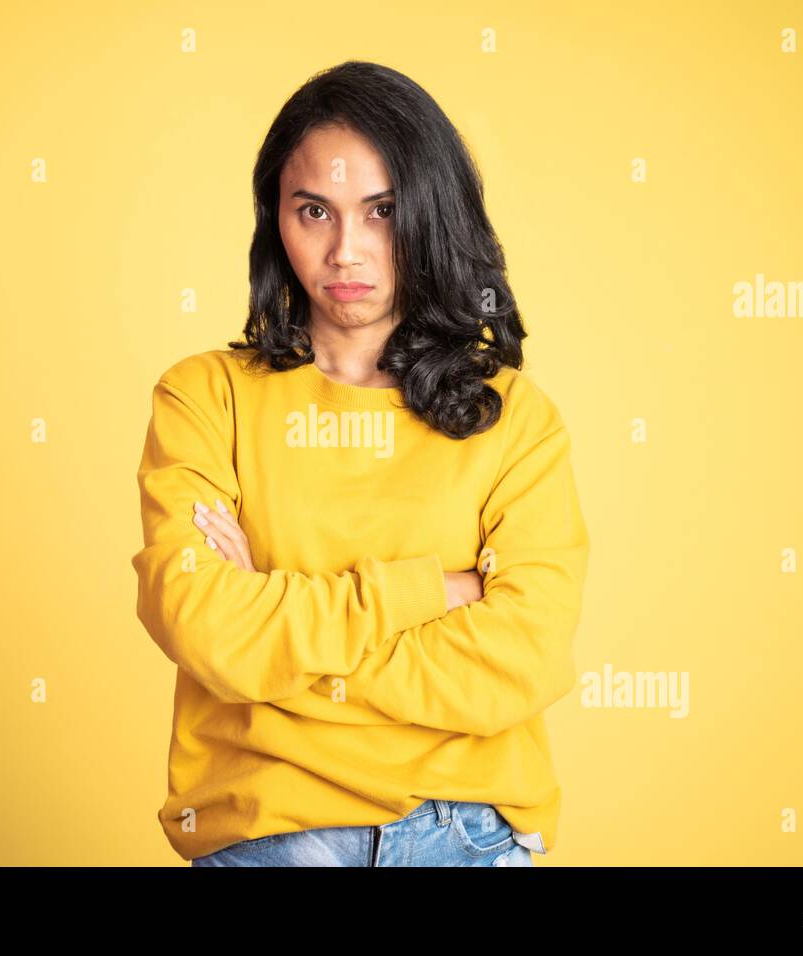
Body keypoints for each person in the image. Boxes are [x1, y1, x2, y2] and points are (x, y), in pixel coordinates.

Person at [131, 60, 591, 866]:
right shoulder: (205, 398)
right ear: (276, 218)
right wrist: (430, 591)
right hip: (271, 832)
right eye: (315, 210)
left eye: (381, 212)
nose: (347, 251)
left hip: (470, 833)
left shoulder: (514, 418)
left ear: (430, 215)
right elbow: (202, 625)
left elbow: (524, 658)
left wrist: (274, 631)